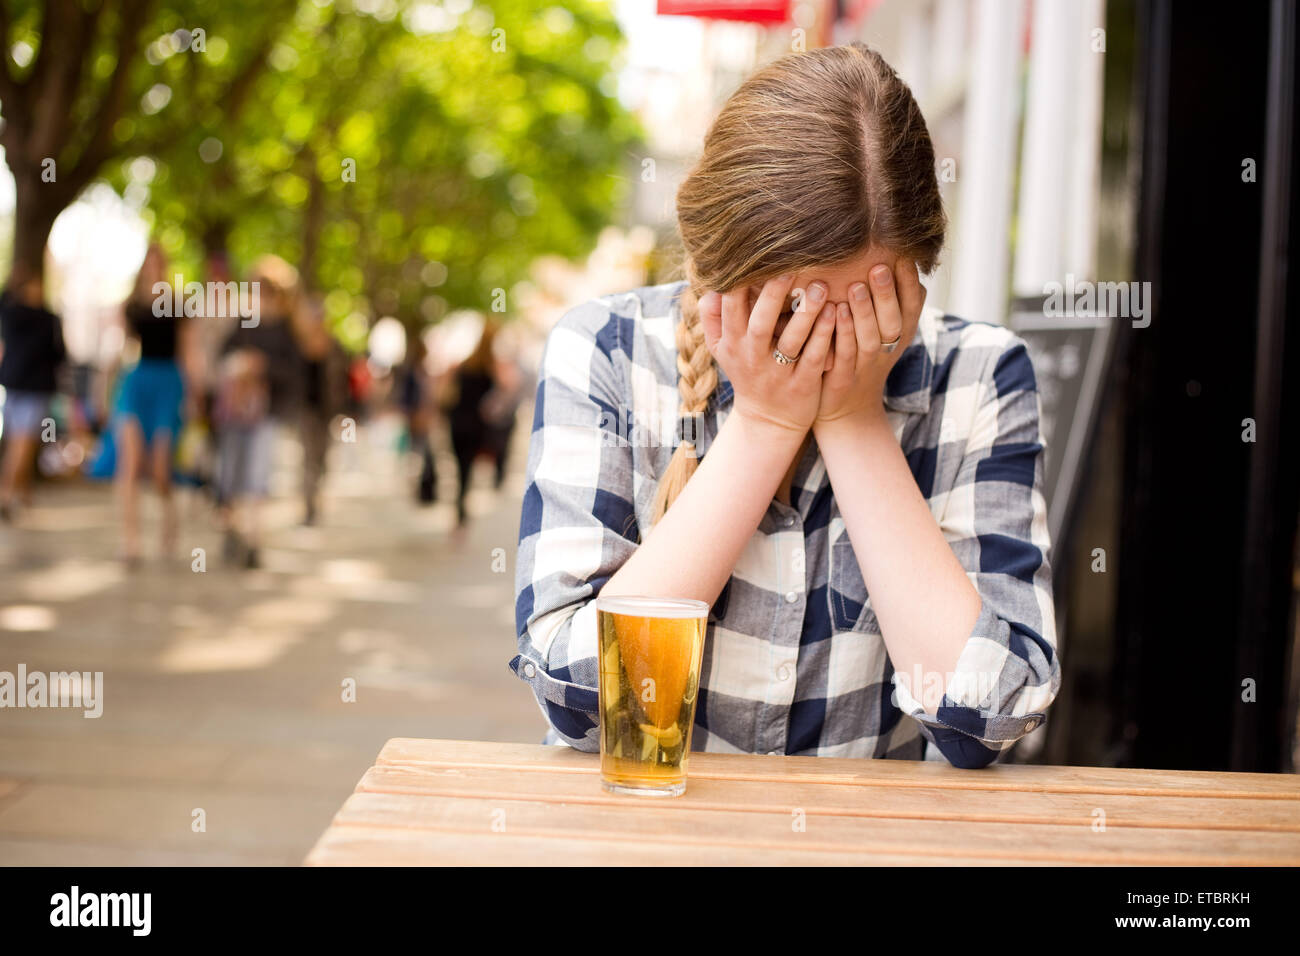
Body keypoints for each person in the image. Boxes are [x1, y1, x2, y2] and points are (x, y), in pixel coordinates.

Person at [510, 42, 1060, 769]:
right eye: (794, 312)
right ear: (716, 267)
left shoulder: (982, 375)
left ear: (919, 279)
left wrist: (855, 422)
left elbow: (990, 719)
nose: (829, 349)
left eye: (871, 308)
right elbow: (581, 702)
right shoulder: (605, 351)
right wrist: (765, 426)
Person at [215, 255, 303, 568]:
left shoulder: (285, 330)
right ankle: (232, 530)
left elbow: (294, 374)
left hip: (266, 413)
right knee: (228, 473)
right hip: (235, 411)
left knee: (257, 474)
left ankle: (254, 541)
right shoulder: (244, 323)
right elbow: (223, 355)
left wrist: (263, 367)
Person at [111, 244, 195, 564]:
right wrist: (104, 389)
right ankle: (130, 541)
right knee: (129, 464)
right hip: (136, 383)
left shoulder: (179, 305)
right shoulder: (131, 305)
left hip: (168, 383)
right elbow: (121, 350)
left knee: (161, 470)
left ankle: (169, 521)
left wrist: (193, 396)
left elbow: (189, 354)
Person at [0, 264, 67, 521]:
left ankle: (18, 492)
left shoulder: (10, 313)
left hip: (19, 386)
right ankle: (8, 493)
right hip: (31, 388)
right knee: (21, 443)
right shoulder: (46, 318)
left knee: (21, 443)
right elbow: (59, 354)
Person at [445, 321, 501, 529]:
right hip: (476, 426)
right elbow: (495, 399)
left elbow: (452, 395)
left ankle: (460, 506)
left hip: (458, 423)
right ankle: (462, 505)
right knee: (466, 469)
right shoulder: (489, 369)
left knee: (461, 467)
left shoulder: (464, 366)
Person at [397, 336, 437, 505]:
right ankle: (416, 487)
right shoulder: (412, 373)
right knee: (416, 452)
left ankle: (424, 490)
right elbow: (406, 398)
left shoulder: (424, 372)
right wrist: (413, 415)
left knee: (424, 453)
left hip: (424, 418)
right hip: (415, 418)